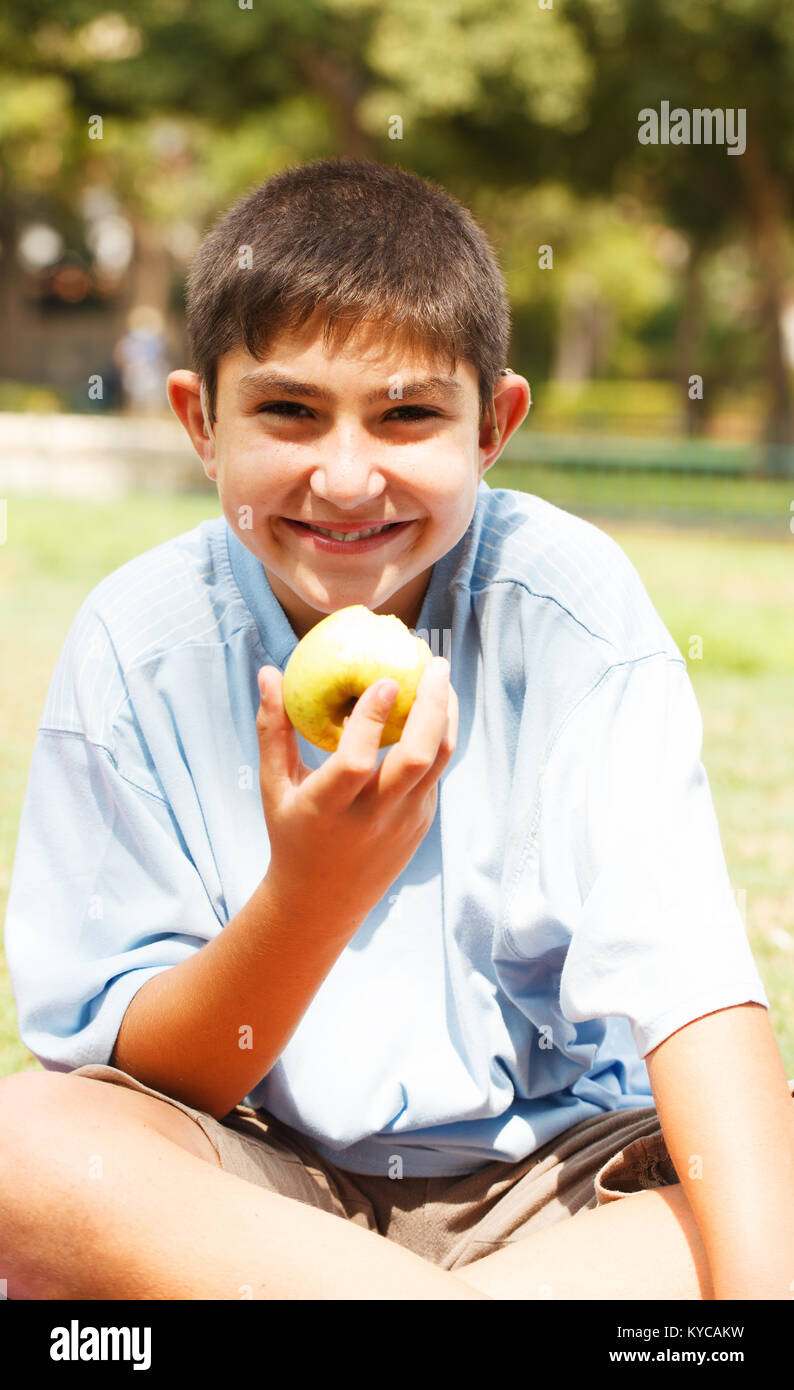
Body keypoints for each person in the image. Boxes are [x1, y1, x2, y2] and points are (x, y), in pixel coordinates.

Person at [2, 158, 793, 1301]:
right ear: (199, 422)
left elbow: (692, 992)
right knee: (27, 1148)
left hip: (558, 1187)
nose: (344, 475)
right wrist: (311, 896)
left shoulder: (564, 608)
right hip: (265, 1191)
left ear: (492, 427)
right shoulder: (138, 644)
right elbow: (151, 1071)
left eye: (409, 413)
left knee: (764, 1177)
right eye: (286, 410)